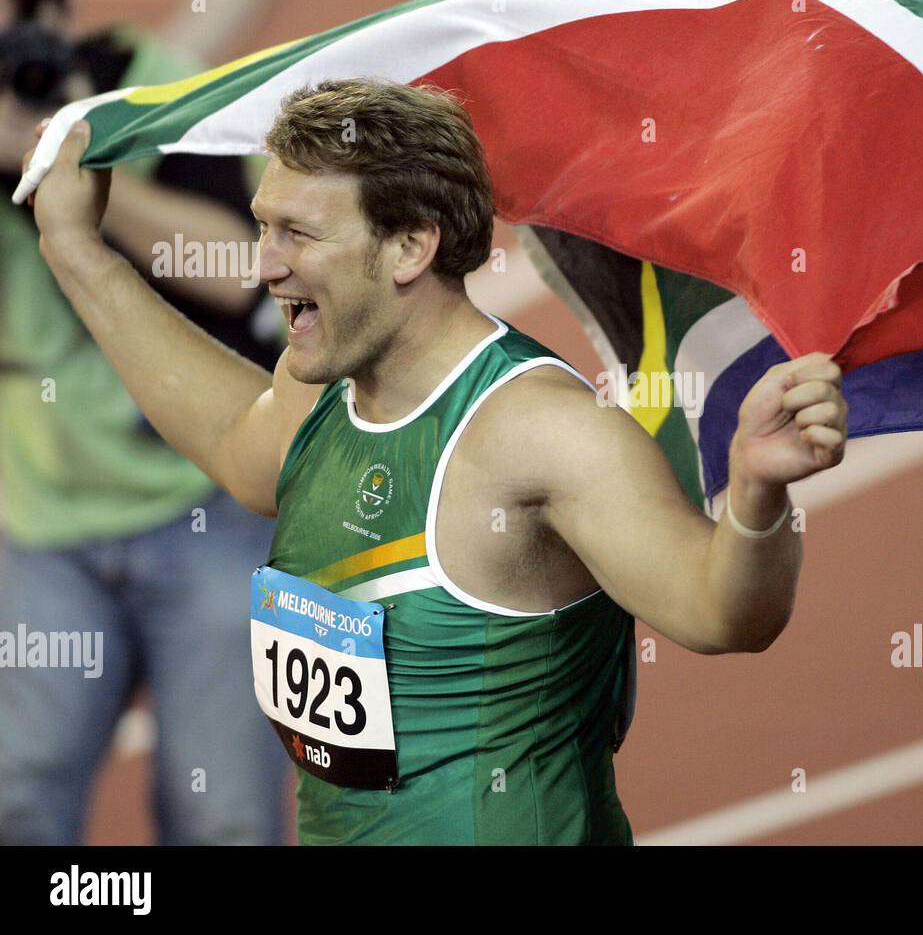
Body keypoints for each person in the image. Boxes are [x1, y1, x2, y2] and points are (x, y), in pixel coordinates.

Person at [20, 76, 848, 845]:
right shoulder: (325, 389)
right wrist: (77, 252)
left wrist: (756, 495)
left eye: (298, 233)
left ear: (410, 245)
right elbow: (243, 445)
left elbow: (720, 611)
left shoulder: (539, 431)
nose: (263, 262)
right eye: (264, 224)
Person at [0, 0, 287, 843]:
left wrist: (58, 164)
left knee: (223, 810)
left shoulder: (141, 83)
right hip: (44, 522)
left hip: (206, 495)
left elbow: (242, 268)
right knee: (20, 789)